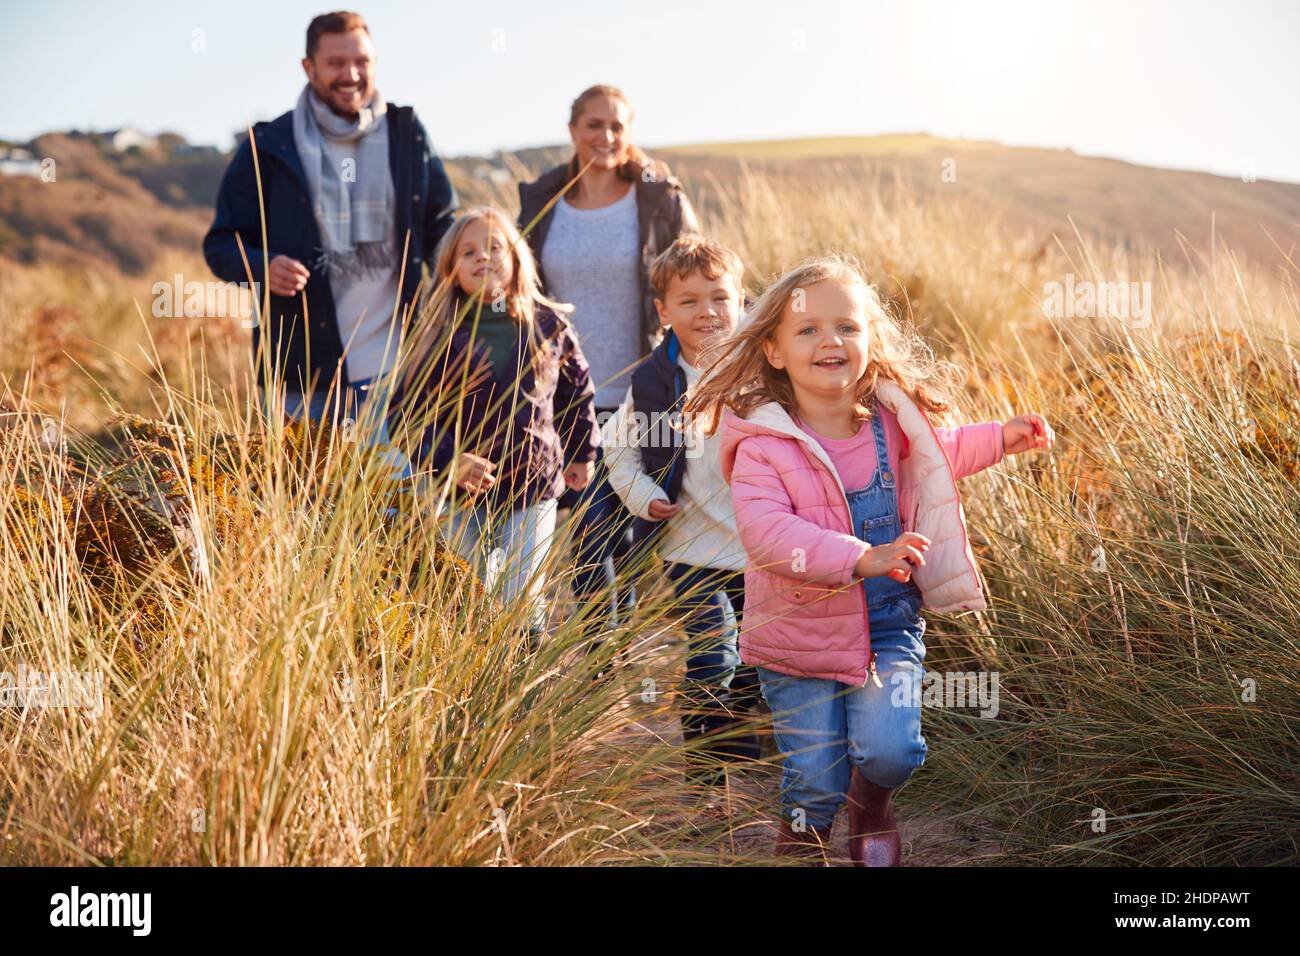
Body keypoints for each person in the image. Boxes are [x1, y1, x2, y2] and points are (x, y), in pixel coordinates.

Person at [688, 254, 1055, 864]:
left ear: (869, 339)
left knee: (892, 751)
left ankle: (873, 803)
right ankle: (804, 842)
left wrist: (1001, 437)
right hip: (796, 635)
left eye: (846, 326)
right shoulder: (761, 443)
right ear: (775, 351)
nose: (829, 339)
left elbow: (940, 455)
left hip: (887, 625)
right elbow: (768, 534)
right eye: (807, 329)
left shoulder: (891, 425)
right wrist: (863, 556)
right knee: (813, 779)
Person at [203, 10, 456, 464]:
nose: (351, 75)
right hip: (303, 375)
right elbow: (221, 243)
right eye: (337, 63)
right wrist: (262, 265)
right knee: (310, 513)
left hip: (400, 372)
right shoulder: (269, 144)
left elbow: (443, 224)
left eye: (362, 61)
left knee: (399, 511)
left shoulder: (406, 133)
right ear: (309, 68)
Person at [517, 84, 700, 643]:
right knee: (580, 522)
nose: (606, 137)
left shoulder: (656, 198)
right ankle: (603, 659)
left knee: (601, 529)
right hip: (561, 393)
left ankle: (602, 661)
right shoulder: (543, 200)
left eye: (618, 126)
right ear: (573, 129)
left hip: (638, 389)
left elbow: (696, 269)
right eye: (595, 125)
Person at [389, 206, 598, 645]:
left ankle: (520, 691)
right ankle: (472, 693)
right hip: (457, 492)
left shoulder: (548, 325)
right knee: (467, 592)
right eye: (468, 252)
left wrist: (582, 452)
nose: (483, 257)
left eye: (494, 247)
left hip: (532, 483)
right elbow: (403, 416)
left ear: (517, 259)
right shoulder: (437, 334)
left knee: (522, 596)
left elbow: (576, 393)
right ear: (450, 270)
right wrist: (448, 461)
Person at [602, 238, 761, 786]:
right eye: (689, 301)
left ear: (742, 301)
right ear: (664, 312)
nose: (707, 311)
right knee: (711, 653)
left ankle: (741, 735)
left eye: (720, 297)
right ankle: (706, 780)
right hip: (689, 547)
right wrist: (643, 495)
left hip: (762, 545)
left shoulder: (768, 370)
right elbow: (617, 452)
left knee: (758, 656)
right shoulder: (653, 381)